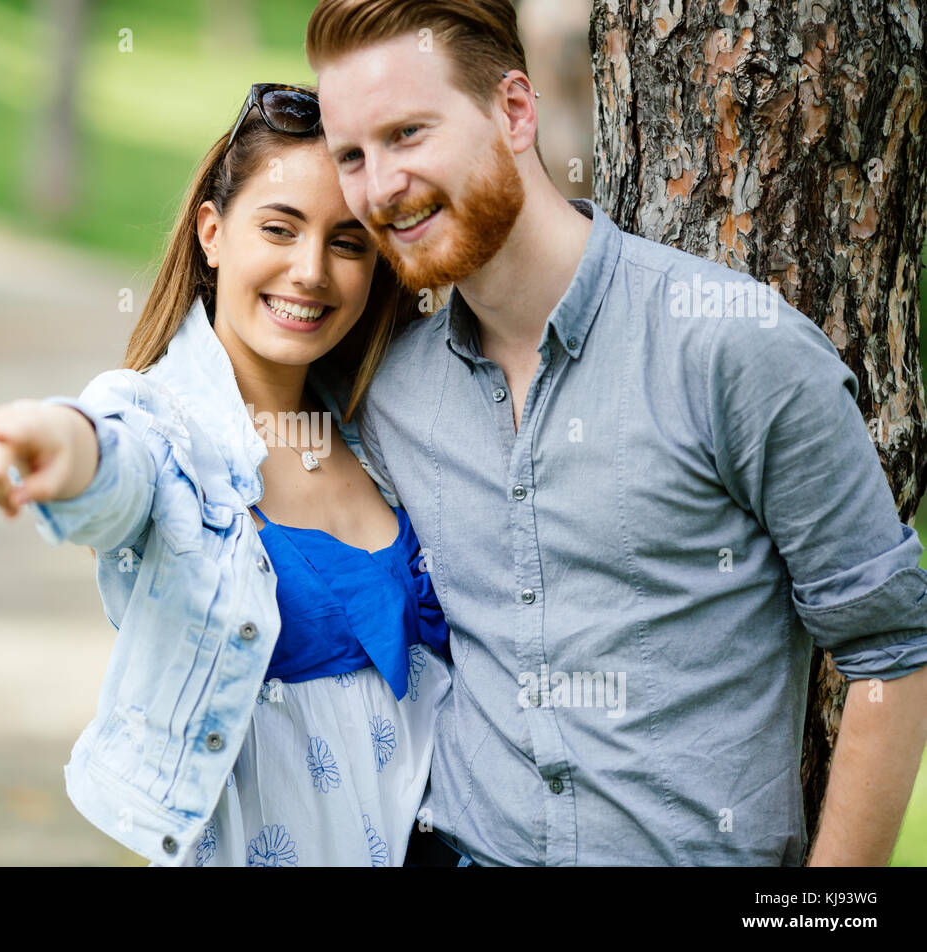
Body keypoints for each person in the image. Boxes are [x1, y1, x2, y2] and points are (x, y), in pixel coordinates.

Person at [305, 0, 927, 866]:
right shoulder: (387, 388)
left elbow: (893, 652)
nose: (377, 188)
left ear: (514, 112)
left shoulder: (732, 347)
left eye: (407, 133)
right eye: (352, 156)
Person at [0, 83, 452, 866]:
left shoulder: (387, 432)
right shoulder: (164, 427)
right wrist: (58, 437)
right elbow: (116, 466)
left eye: (348, 243)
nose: (311, 271)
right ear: (213, 235)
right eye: (279, 229)